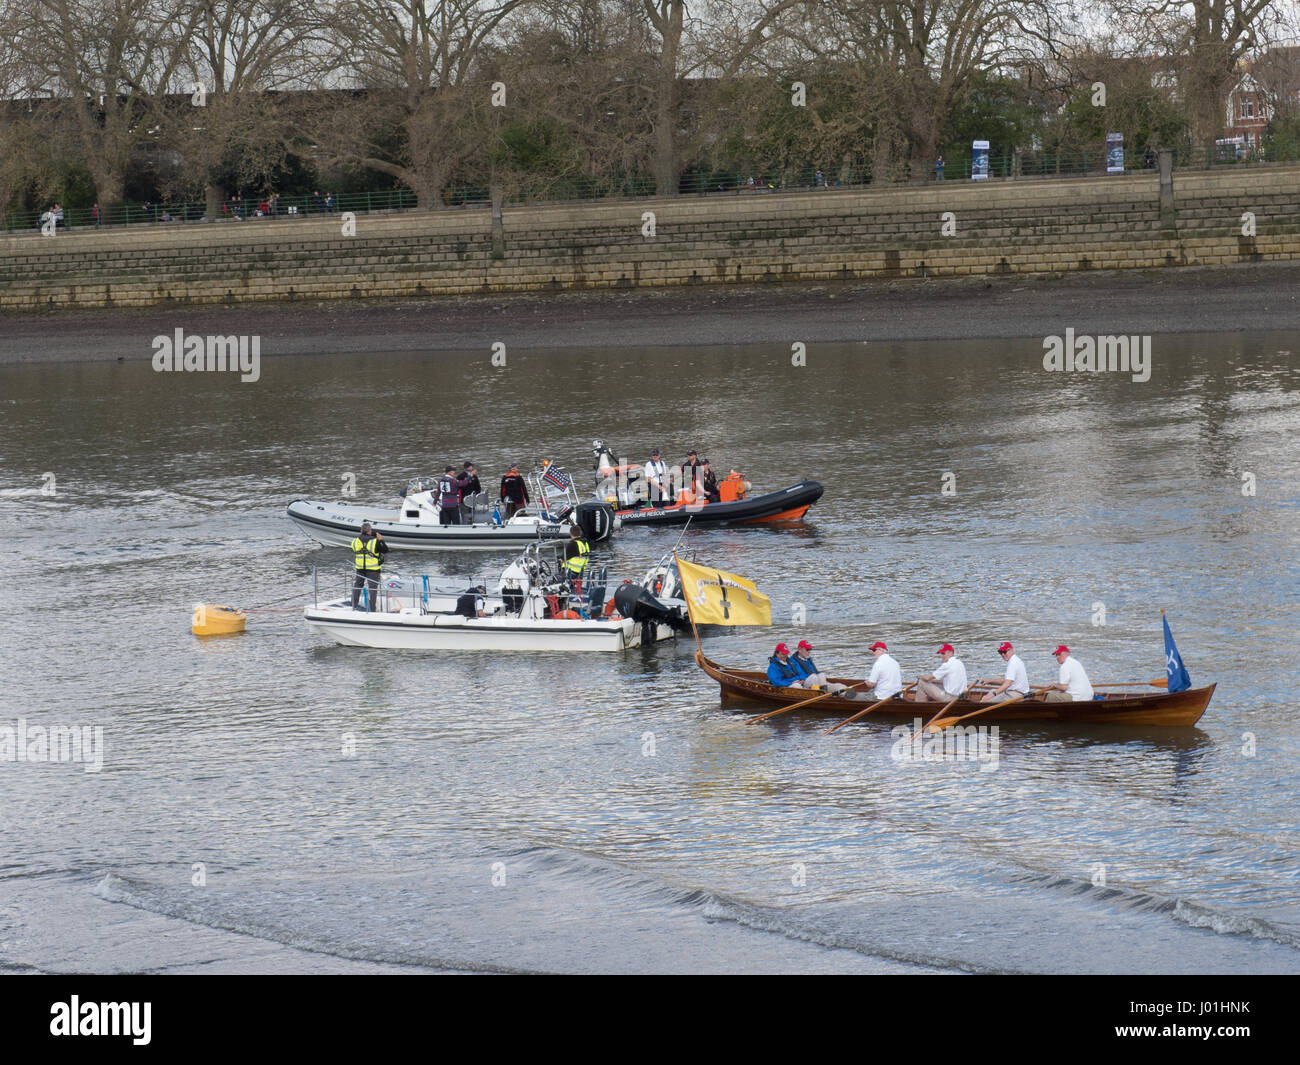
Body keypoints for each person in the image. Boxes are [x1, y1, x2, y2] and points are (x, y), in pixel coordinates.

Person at [349, 522, 387, 611]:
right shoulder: (375, 541)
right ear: (370, 531)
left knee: (357, 586)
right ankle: (372, 609)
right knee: (372, 589)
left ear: (361, 530)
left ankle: (353, 605)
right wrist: (381, 540)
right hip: (373, 569)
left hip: (360, 568)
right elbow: (385, 550)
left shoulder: (354, 541)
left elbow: (355, 550)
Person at [562, 524, 590, 596]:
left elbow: (564, 557)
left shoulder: (572, 544)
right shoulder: (585, 543)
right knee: (576, 587)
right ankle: (576, 596)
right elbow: (587, 555)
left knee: (567, 587)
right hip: (581, 569)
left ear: (571, 533)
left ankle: (567, 598)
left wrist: (560, 559)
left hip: (571, 570)